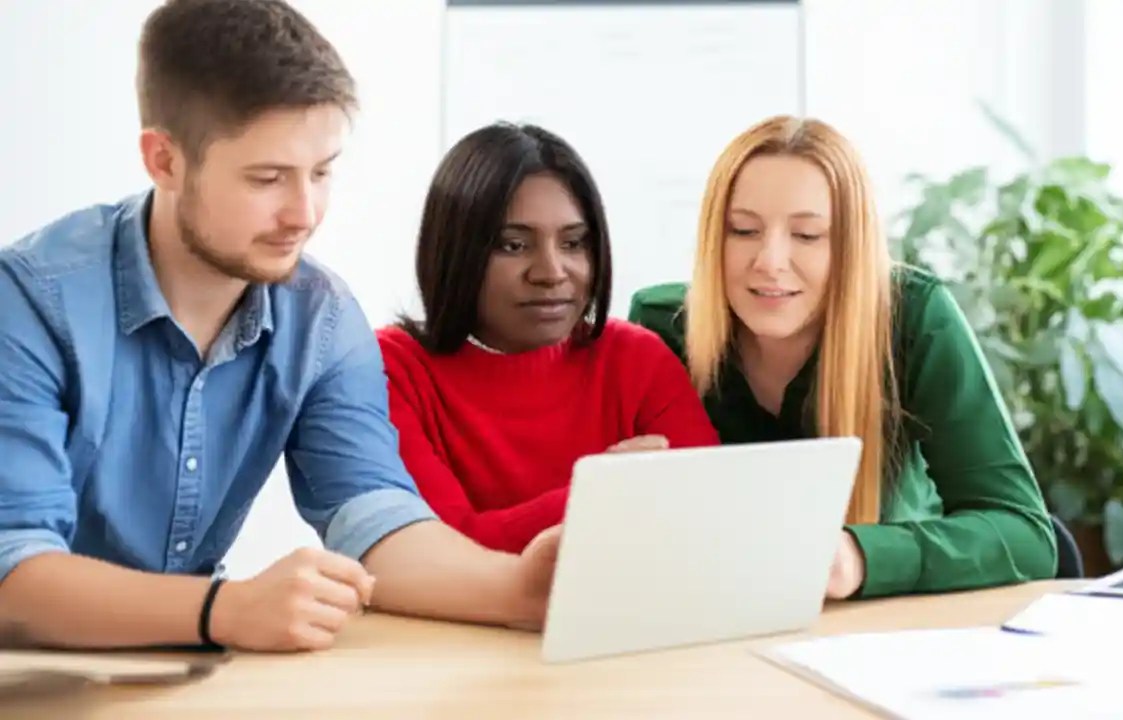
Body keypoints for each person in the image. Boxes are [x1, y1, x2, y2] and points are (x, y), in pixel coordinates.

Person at [0, 0, 559, 653]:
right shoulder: (30, 302)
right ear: (165, 161)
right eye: (268, 178)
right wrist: (223, 609)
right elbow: (12, 575)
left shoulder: (319, 314)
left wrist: (514, 588)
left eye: (321, 172)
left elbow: (372, 516)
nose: (304, 214)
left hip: (170, 684)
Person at [629, 115, 1056, 600]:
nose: (769, 260)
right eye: (743, 230)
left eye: (808, 236)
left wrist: (858, 556)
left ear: (850, 248)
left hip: (882, 630)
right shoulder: (662, 326)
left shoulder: (914, 319)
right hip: (715, 620)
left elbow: (1025, 537)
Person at [378, 122, 720, 554]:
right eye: (513, 245)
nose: (552, 272)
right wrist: (604, 490)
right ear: (455, 249)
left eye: (574, 243)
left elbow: (707, 518)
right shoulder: (393, 370)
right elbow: (444, 551)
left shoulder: (637, 359)